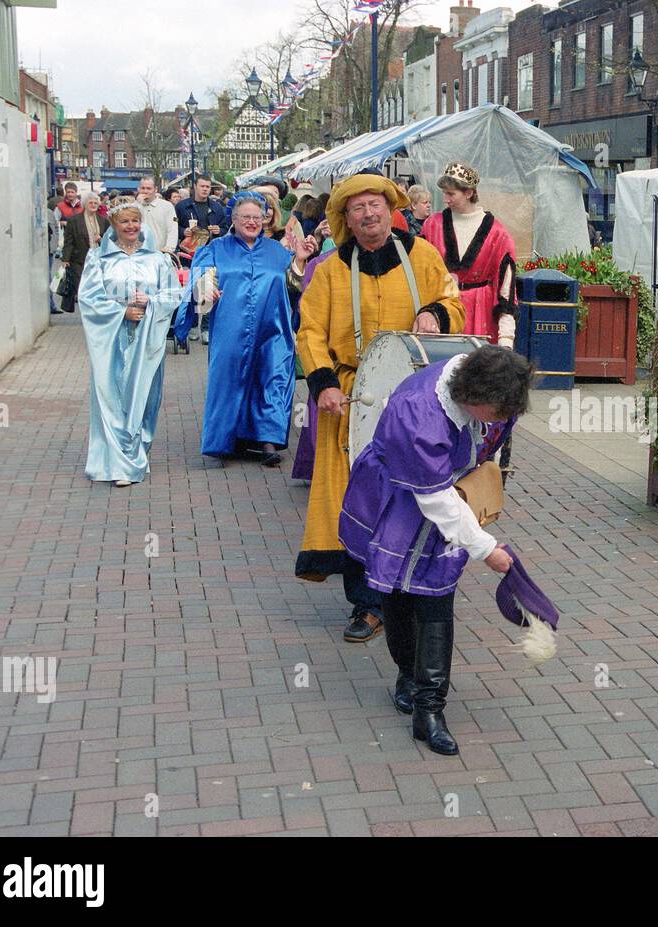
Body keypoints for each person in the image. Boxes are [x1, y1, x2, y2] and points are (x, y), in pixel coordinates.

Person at [295, 173, 464, 644]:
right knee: (356, 497)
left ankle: (413, 588)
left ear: (391, 210)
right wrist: (323, 383)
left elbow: (455, 301)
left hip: (414, 397)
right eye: (357, 208)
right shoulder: (329, 269)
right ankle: (366, 603)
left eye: (375, 205)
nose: (368, 215)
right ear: (345, 218)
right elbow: (309, 331)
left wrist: (436, 312)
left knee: (410, 491)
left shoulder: (422, 256)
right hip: (350, 399)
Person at [341, 345, 529, 754]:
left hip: (447, 493)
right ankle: (406, 677)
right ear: (471, 398)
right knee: (397, 592)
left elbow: (490, 444)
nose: (501, 420)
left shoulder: (494, 385)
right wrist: (486, 548)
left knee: (436, 595)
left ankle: (429, 710)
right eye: (496, 412)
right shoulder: (419, 411)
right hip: (403, 494)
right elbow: (435, 500)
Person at [174, 191, 316, 466]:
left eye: (257, 217)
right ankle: (224, 441)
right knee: (229, 380)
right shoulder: (215, 249)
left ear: (265, 219)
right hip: (231, 326)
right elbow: (199, 285)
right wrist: (206, 290)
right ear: (234, 219)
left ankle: (268, 440)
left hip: (273, 328)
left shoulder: (279, 252)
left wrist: (299, 261)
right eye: (245, 217)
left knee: (272, 379)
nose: (252, 222)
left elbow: (294, 288)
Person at [77, 198, 183, 486]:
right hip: (111, 340)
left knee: (144, 397)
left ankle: (137, 451)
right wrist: (121, 311)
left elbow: (173, 294)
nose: (131, 226)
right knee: (110, 396)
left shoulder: (158, 259)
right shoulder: (97, 259)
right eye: (125, 221)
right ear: (114, 225)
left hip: (146, 341)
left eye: (135, 220)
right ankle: (119, 463)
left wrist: (150, 304)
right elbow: (88, 299)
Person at [420, 162, 517, 347]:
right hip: (441, 310)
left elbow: (506, 290)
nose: (446, 199)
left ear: (469, 193)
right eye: (444, 193)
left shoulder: (498, 234)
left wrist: (506, 339)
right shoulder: (432, 225)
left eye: (451, 194)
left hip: (481, 315)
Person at [175, 176, 228, 343]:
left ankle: (205, 327)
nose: (205, 189)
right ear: (195, 187)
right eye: (202, 186)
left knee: (208, 287)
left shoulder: (217, 207)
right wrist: (183, 231)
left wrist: (220, 230)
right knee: (191, 289)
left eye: (208, 187)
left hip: (210, 253)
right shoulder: (182, 206)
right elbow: (173, 226)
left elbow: (227, 227)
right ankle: (191, 325)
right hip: (189, 253)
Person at [60, 193, 109, 314]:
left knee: (96, 289)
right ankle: (86, 312)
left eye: (96, 203)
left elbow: (109, 241)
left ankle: (95, 312)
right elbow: (69, 241)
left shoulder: (103, 221)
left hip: (98, 261)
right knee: (82, 289)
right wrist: (65, 259)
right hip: (79, 260)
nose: (93, 205)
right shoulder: (74, 220)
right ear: (84, 204)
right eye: (90, 203)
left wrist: (101, 239)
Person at [135, 176, 178, 256]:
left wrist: (169, 248)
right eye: (142, 188)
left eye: (148, 188)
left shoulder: (166, 206)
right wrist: (138, 205)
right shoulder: (135, 206)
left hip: (161, 253)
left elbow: (172, 229)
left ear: (156, 189)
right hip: (139, 253)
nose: (145, 191)